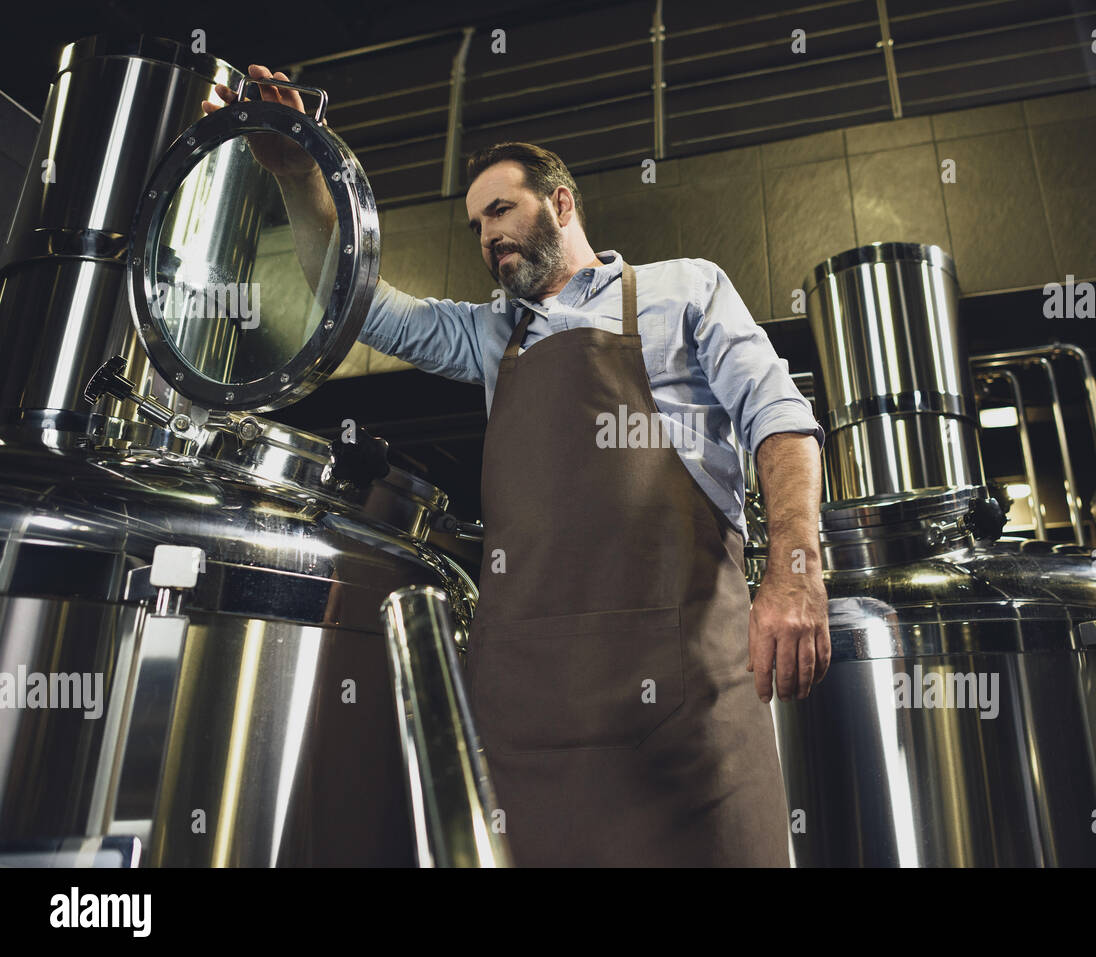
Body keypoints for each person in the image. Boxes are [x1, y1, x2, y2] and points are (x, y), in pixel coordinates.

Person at [208, 65, 831, 866]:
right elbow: (356, 299)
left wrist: (795, 569)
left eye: (500, 210)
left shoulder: (683, 291)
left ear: (561, 204)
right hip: (533, 727)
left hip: (684, 718)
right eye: (474, 224)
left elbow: (781, 420)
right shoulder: (491, 335)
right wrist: (301, 172)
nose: (487, 235)